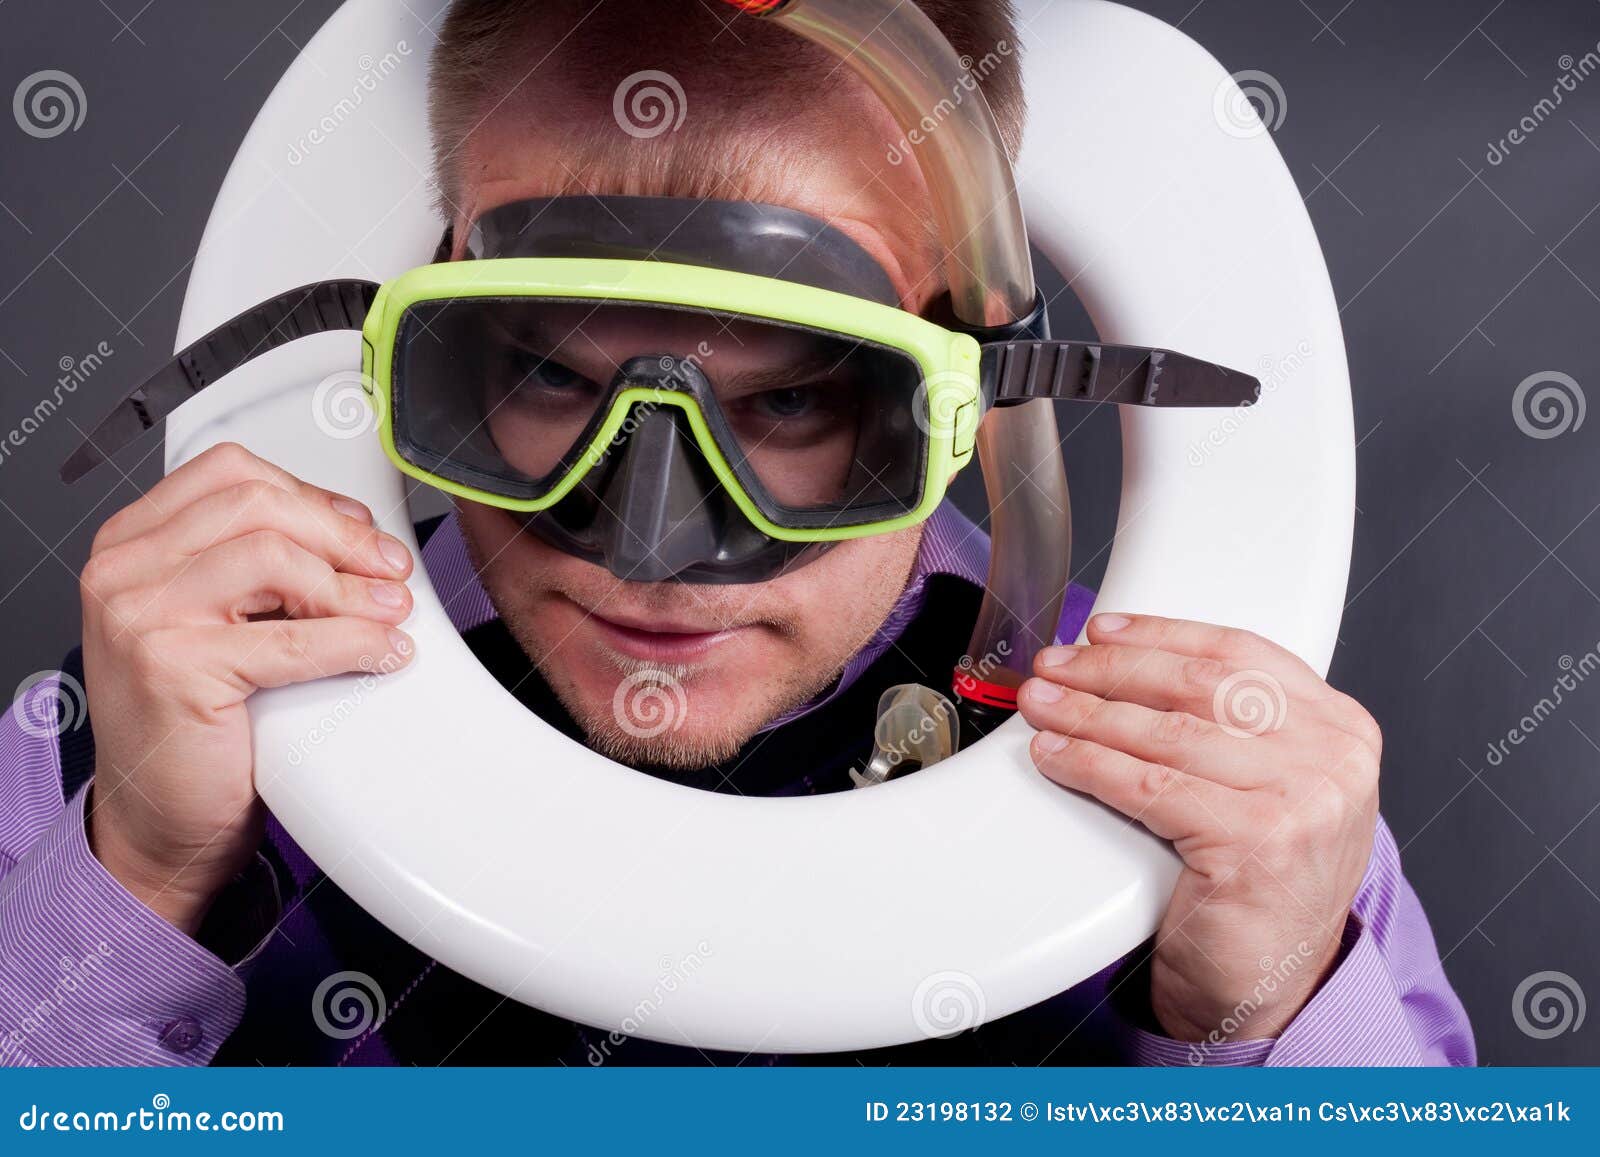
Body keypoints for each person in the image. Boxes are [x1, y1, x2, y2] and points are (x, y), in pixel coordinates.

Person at [0, 0, 1473, 1067]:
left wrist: (1263, 1014)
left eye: (790, 406)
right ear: (420, 345)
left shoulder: (1221, 793)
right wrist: (135, 869)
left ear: (962, 394)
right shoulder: (141, 723)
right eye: (549, 374)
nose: (648, 545)